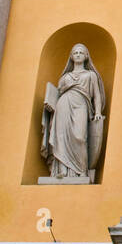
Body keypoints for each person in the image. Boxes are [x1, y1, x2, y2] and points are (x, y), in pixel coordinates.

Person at [41, 44, 106, 181]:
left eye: (81, 52)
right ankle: (62, 171)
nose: (77, 54)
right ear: (71, 56)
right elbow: (58, 93)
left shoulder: (91, 75)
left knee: (80, 136)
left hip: (81, 105)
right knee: (61, 136)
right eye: (75, 52)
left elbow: (97, 95)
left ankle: (82, 171)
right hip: (63, 104)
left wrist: (98, 112)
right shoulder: (66, 76)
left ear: (86, 56)